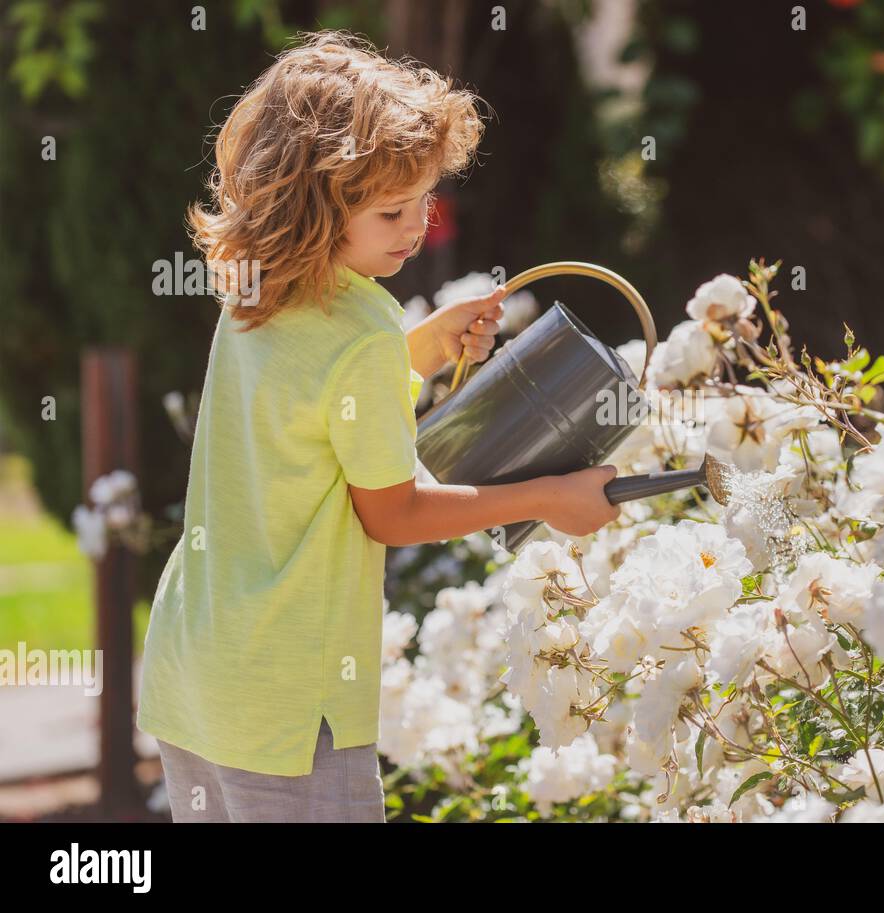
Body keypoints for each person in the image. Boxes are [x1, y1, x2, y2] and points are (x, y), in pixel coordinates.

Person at [136, 30, 620, 823]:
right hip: (293, 709)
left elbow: (315, 404)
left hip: (200, 671)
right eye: (393, 209)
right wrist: (553, 493)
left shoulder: (259, 291)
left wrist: (427, 345)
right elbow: (391, 512)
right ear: (316, 202)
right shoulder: (359, 335)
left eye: (425, 200)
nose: (417, 226)